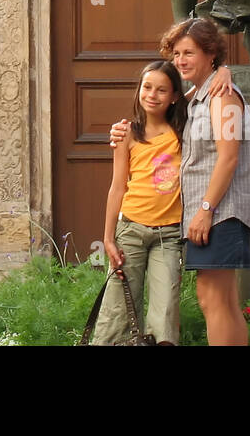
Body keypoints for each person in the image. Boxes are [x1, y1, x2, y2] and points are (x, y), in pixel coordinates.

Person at [110, 17, 250, 346]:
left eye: (189, 53)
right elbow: (165, 101)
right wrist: (122, 130)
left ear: (210, 54)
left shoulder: (223, 96)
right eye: (176, 53)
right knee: (224, 302)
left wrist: (205, 209)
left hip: (221, 213)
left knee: (213, 300)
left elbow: (228, 157)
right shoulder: (202, 94)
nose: (180, 60)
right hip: (212, 215)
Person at [90, 61, 187, 345]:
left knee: (165, 311)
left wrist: (224, 72)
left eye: (161, 90)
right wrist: (108, 238)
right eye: (147, 87)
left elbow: (201, 93)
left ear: (174, 96)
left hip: (168, 235)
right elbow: (117, 187)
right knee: (118, 311)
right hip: (130, 230)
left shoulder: (184, 132)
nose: (152, 95)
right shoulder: (127, 134)